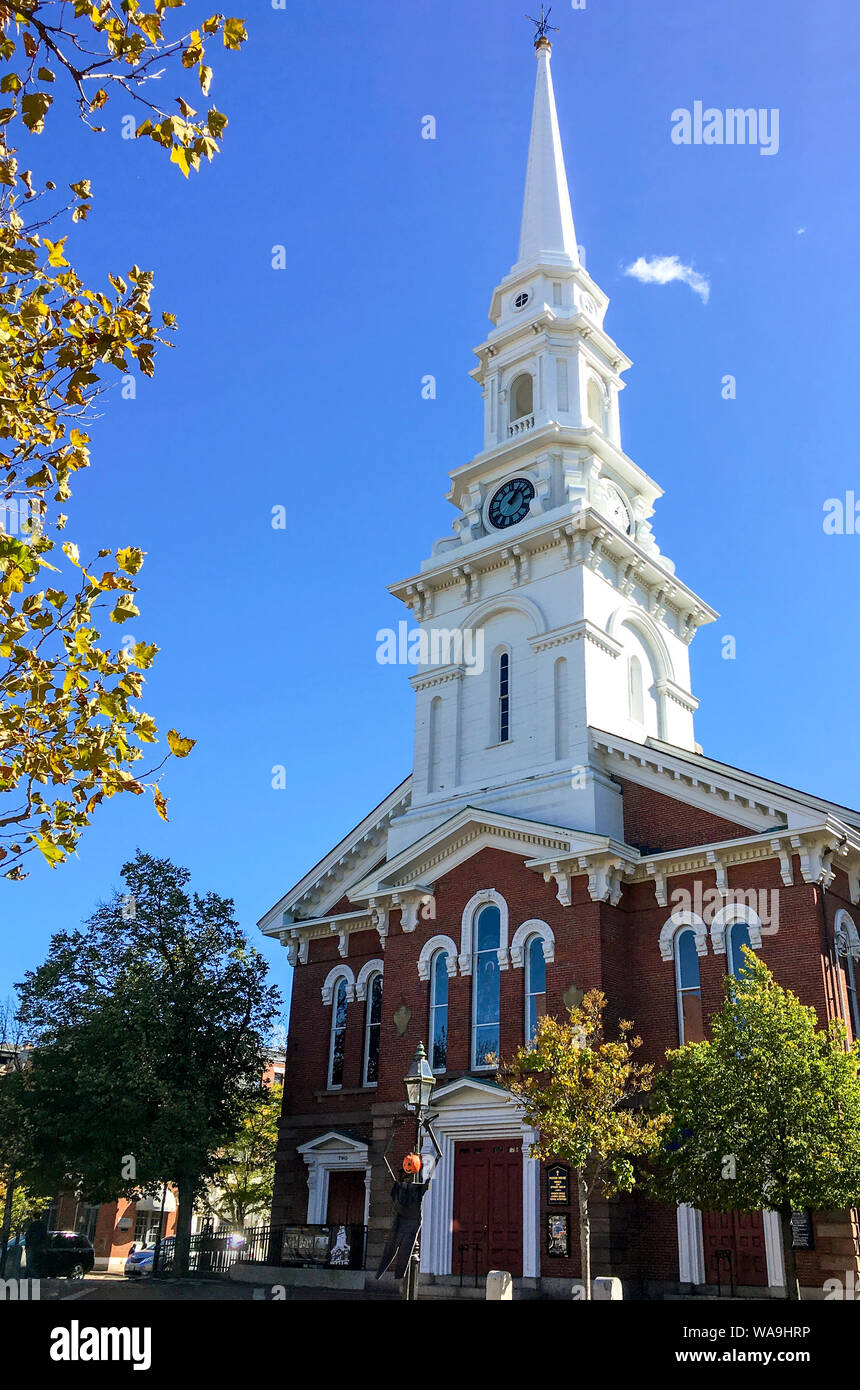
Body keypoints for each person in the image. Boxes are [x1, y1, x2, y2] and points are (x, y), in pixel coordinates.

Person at [24, 1213, 48, 1277]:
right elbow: (44, 1237)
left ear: (33, 1217)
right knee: (36, 1264)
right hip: (39, 1248)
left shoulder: (32, 1225)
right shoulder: (43, 1226)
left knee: (29, 1264)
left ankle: (35, 1277)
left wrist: (27, 1245)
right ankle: (28, 1278)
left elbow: (28, 1236)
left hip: (31, 1247)